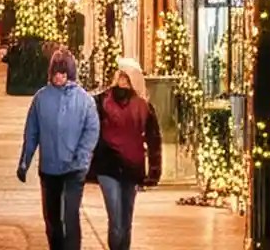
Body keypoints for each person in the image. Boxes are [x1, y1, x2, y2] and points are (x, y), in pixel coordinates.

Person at [17, 49, 99, 250]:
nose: (59, 77)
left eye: (63, 73)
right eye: (56, 72)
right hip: (50, 168)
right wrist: (24, 161)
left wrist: (82, 157)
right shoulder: (41, 98)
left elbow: (91, 130)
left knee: (71, 216)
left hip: (74, 169)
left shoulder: (84, 100)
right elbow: (32, 132)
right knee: (52, 219)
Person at [89, 58, 162, 250]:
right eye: (120, 78)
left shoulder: (143, 107)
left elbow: (154, 139)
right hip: (108, 166)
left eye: (127, 79)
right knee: (116, 221)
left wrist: (154, 169)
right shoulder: (102, 102)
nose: (122, 82)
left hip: (132, 168)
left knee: (126, 220)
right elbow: (90, 131)